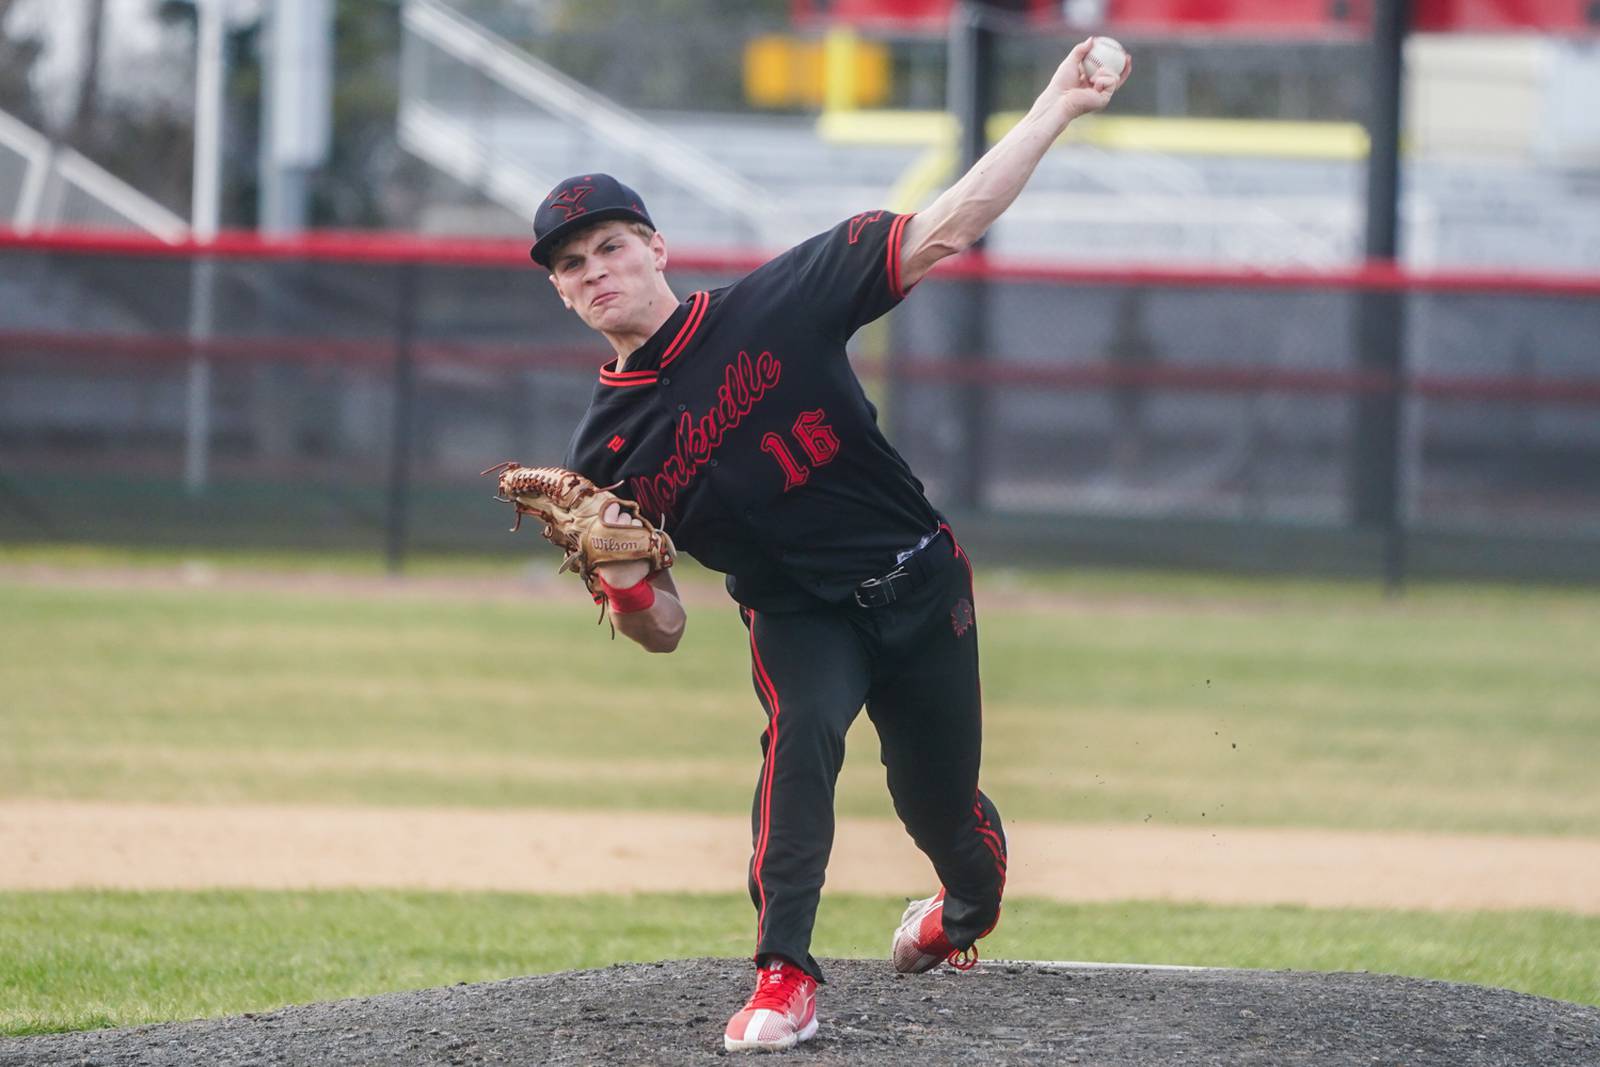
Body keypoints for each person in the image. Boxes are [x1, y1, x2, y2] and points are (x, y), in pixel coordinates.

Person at [528, 37, 1130, 1054]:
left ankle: (958, 910)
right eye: (571, 265)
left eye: (610, 246)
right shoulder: (606, 452)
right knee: (800, 737)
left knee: (939, 805)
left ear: (656, 247)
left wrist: (1054, 108)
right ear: (560, 292)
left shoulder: (784, 300)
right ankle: (783, 976)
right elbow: (668, 631)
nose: (596, 272)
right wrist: (628, 588)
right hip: (797, 612)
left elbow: (949, 225)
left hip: (919, 577)